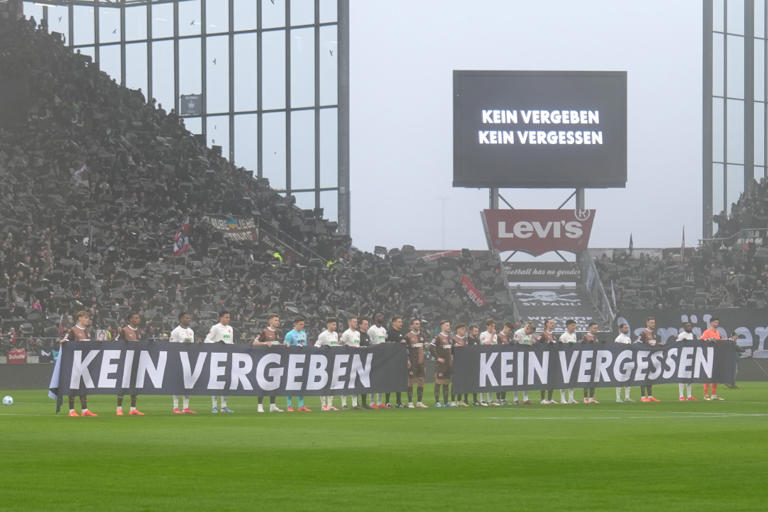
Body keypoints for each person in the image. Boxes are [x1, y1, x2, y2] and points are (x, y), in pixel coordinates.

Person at [61, 311, 97, 417]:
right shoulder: (73, 330)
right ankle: (71, 410)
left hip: (85, 362)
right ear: (80, 318)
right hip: (75, 363)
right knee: (73, 386)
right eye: (86, 318)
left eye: (88, 318)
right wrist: (64, 341)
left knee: (83, 386)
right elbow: (66, 339)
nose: (88, 320)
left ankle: (84, 410)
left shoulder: (86, 331)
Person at [252, 313, 284, 413]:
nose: (277, 322)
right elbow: (254, 343)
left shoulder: (278, 332)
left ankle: (272, 405)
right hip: (264, 361)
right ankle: (260, 405)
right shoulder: (264, 331)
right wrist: (265, 343)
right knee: (263, 383)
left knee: (274, 383)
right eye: (275, 320)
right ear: (270, 321)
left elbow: (278, 344)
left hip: (275, 361)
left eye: (278, 320)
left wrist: (284, 345)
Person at [205, 311, 235, 413]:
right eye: (226, 317)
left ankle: (224, 406)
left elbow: (230, 342)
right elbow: (206, 340)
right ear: (220, 318)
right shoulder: (215, 328)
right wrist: (215, 343)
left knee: (225, 382)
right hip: (216, 357)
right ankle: (214, 406)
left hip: (227, 357)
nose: (228, 319)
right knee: (216, 382)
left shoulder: (230, 329)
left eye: (229, 317)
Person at [115, 312, 144, 416]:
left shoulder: (140, 331)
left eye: (138, 318)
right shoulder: (124, 330)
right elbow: (116, 342)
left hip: (137, 360)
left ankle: (133, 408)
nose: (138, 319)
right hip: (126, 360)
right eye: (136, 318)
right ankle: (119, 408)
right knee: (123, 384)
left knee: (134, 384)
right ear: (130, 319)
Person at [169, 311, 196, 414]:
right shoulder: (176, 331)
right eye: (186, 318)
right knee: (177, 383)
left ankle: (186, 407)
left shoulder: (191, 331)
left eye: (189, 318)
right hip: (178, 359)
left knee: (188, 383)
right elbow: (171, 345)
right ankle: (175, 407)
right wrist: (182, 344)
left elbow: (192, 345)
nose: (188, 320)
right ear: (181, 319)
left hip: (189, 359)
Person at [284, 317, 311, 412]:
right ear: (295, 324)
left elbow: (305, 346)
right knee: (291, 383)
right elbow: (285, 346)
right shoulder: (290, 334)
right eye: (300, 324)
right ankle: (289, 405)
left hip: (302, 361)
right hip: (292, 361)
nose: (302, 326)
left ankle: (301, 405)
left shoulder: (304, 334)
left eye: (303, 324)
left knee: (301, 383)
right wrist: (287, 345)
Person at [315, 318, 340, 411]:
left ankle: (330, 405)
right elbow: (316, 346)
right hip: (325, 362)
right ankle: (323, 405)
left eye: (335, 324)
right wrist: (323, 349)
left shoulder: (336, 334)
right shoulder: (323, 335)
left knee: (332, 383)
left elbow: (336, 346)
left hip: (334, 361)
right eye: (333, 324)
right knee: (324, 383)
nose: (335, 326)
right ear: (328, 325)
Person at [405, 318, 428, 408]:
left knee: (421, 380)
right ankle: (410, 402)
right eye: (416, 324)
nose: (418, 325)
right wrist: (407, 359)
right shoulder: (408, 336)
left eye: (419, 324)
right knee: (410, 380)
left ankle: (419, 402)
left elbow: (424, 347)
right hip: (412, 361)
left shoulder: (423, 335)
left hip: (421, 362)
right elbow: (405, 349)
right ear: (411, 325)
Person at [339, 316, 362, 410]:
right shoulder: (346, 333)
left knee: (355, 381)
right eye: (354, 322)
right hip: (347, 359)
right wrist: (346, 347)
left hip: (356, 359)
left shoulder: (357, 333)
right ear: (349, 323)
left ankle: (355, 404)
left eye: (356, 322)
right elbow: (339, 344)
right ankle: (344, 403)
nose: (356, 323)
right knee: (345, 381)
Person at [366, 313, 388, 409]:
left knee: (382, 379)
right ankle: (371, 402)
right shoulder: (371, 329)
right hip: (374, 356)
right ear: (375, 318)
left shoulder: (383, 330)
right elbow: (369, 342)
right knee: (374, 379)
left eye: (382, 316)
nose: (381, 317)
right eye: (379, 316)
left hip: (382, 356)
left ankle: (379, 402)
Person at [429, 320, 453, 408]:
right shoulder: (438, 337)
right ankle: (437, 402)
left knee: (446, 383)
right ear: (442, 326)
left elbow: (452, 350)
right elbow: (431, 347)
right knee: (438, 382)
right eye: (447, 325)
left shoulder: (450, 338)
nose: (449, 327)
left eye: (449, 325)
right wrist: (437, 358)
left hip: (448, 364)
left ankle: (446, 402)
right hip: (440, 365)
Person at [700, 318, 725, 400]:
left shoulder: (717, 332)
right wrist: (708, 339)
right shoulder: (707, 332)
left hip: (716, 356)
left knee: (715, 375)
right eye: (715, 322)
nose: (716, 323)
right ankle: (706, 394)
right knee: (707, 375)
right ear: (711, 323)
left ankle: (714, 395)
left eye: (717, 322)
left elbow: (720, 342)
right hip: (708, 356)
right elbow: (701, 340)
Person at [636, 316, 660, 402]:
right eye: (652, 322)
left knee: (650, 377)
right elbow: (637, 344)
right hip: (643, 357)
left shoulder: (653, 333)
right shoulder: (643, 333)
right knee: (643, 377)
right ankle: (643, 397)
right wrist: (647, 344)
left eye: (654, 322)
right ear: (647, 323)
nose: (653, 324)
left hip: (651, 358)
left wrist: (658, 344)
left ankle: (650, 396)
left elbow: (654, 344)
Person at [512, 322, 536, 405]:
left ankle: (526, 398)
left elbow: (532, 342)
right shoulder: (518, 333)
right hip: (517, 358)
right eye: (530, 332)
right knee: (517, 377)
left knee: (526, 377)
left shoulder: (531, 334)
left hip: (527, 358)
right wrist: (526, 343)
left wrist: (533, 341)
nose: (530, 334)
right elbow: (514, 344)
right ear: (527, 328)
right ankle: (515, 398)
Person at [386, 316, 407, 408]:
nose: (401, 323)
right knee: (390, 380)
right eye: (399, 322)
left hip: (399, 359)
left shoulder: (401, 332)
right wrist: (397, 344)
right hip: (391, 359)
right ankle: (387, 401)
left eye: (401, 322)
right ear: (393, 323)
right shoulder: (389, 332)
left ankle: (398, 402)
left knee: (398, 380)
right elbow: (386, 344)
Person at [479, 319, 499, 406]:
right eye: (491, 326)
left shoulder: (495, 336)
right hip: (484, 359)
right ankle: (482, 400)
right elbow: (487, 344)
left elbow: (495, 345)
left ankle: (490, 400)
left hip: (493, 358)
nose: (493, 328)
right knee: (483, 380)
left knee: (491, 380)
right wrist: (492, 335)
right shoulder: (483, 334)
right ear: (487, 326)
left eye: (494, 326)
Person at [675, 322, 697, 401]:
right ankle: (681, 395)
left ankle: (689, 395)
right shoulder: (681, 335)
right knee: (682, 377)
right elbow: (675, 344)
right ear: (684, 327)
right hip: (682, 358)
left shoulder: (692, 335)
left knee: (689, 378)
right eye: (687, 326)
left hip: (690, 358)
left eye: (690, 326)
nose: (689, 327)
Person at [558, 320, 579, 405]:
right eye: (572, 325)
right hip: (565, 360)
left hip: (572, 359)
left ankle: (571, 398)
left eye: (575, 325)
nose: (574, 327)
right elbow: (560, 347)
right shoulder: (563, 336)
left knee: (572, 379)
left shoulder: (574, 335)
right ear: (568, 326)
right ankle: (562, 398)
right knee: (564, 379)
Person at [538, 319, 557, 405]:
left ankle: (550, 398)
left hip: (552, 358)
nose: (552, 324)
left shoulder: (553, 334)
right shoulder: (543, 334)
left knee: (551, 379)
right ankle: (542, 399)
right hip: (544, 359)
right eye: (551, 323)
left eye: (553, 323)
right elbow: (538, 345)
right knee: (544, 379)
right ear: (546, 324)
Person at [614, 323, 633, 403]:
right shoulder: (618, 338)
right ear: (621, 329)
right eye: (625, 328)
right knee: (620, 379)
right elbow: (615, 348)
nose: (627, 329)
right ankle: (618, 397)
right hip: (621, 361)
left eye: (627, 328)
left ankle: (627, 397)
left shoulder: (628, 338)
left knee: (628, 379)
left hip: (628, 360)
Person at [581, 322, 599, 404]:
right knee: (586, 379)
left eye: (596, 328)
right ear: (590, 328)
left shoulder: (595, 337)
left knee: (593, 379)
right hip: (586, 360)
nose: (596, 329)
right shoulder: (585, 336)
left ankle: (592, 397)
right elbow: (581, 346)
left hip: (594, 360)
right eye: (594, 328)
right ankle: (585, 398)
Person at [451, 323, 469, 407]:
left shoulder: (465, 339)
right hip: (456, 363)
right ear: (458, 330)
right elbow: (450, 351)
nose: (464, 330)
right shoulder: (453, 339)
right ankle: (452, 400)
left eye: (464, 329)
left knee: (462, 382)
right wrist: (454, 347)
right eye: (462, 329)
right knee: (455, 382)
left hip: (464, 363)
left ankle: (459, 400)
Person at [496, 321, 514, 404]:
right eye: (509, 330)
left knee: (506, 380)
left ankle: (503, 398)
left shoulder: (508, 337)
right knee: (499, 380)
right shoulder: (498, 336)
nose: (510, 332)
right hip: (499, 360)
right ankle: (498, 399)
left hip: (507, 360)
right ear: (505, 327)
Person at [358, 318, 372, 409]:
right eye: (365, 324)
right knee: (357, 382)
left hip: (366, 361)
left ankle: (364, 402)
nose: (367, 326)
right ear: (360, 325)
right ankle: (356, 403)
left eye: (367, 324)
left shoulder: (367, 335)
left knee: (365, 381)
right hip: (357, 361)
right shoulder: (357, 334)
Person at [467, 324, 480, 406]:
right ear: (470, 331)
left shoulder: (477, 341)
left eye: (477, 331)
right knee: (467, 382)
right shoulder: (466, 340)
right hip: (468, 364)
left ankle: (475, 400)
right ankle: (465, 400)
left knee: (475, 382)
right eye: (475, 331)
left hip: (475, 363)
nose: (477, 332)